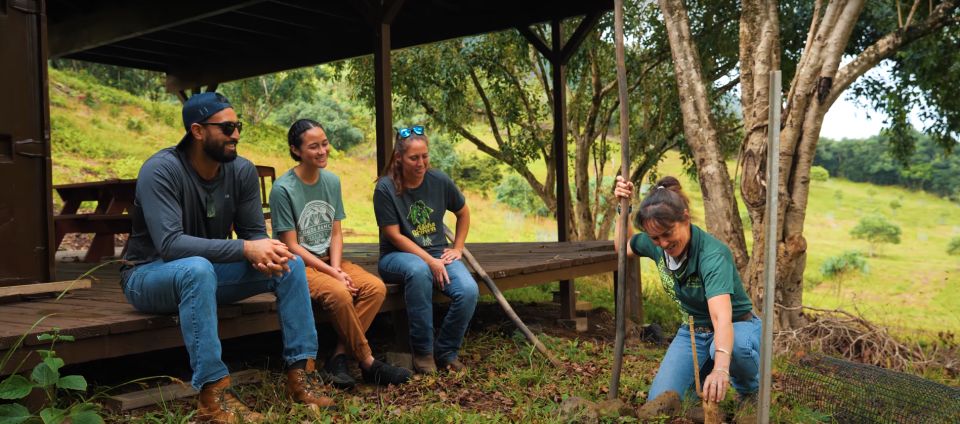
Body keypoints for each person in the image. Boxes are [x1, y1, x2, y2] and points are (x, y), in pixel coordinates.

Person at [121, 93, 334, 423]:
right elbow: (170, 245)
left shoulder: (242, 171)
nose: (235, 134)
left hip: (207, 273)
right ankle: (213, 394)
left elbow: (253, 234)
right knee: (197, 268)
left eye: (238, 126)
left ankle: (301, 373)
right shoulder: (161, 170)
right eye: (227, 127)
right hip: (147, 276)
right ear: (197, 131)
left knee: (289, 262)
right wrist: (246, 249)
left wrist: (264, 250)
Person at [269, 119, 412, 387]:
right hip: (298, 265)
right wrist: (333, 274)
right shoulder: (282, 189)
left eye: (325, 144)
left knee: (375, 288)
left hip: (329, 260)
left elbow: (336, 232)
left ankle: (338, 356)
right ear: (296, 150)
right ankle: (368, 362)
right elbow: (291, 245)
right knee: (339, 293)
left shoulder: (332, 181)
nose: (323, 150)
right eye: (314, 146)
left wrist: (335, 268)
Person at [612, 175, 760, 405]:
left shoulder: (712, 255)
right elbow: (625, 246)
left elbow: (721, 318)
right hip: (694, 331)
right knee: (661, 400)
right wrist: (623, 208)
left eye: (668, 234)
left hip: (736, 325)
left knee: (738, 348)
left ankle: (750, 392)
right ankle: (695, 390)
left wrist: (721, 368)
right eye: (655, 238)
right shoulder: (657, 243)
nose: (662, 243)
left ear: (685, 218)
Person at [373, 125, 479, 374]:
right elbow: (394, 236)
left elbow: (463, 213)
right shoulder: (385, 188)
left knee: (468, 290)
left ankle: (446, 352)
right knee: (419, 270)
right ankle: (423, 352)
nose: (421, 163)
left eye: (425, 156)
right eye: (414, 158)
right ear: (399, 158)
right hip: (396, 257)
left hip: (438, 253)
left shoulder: (439, 180)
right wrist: (429, 261)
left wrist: (458, 248)